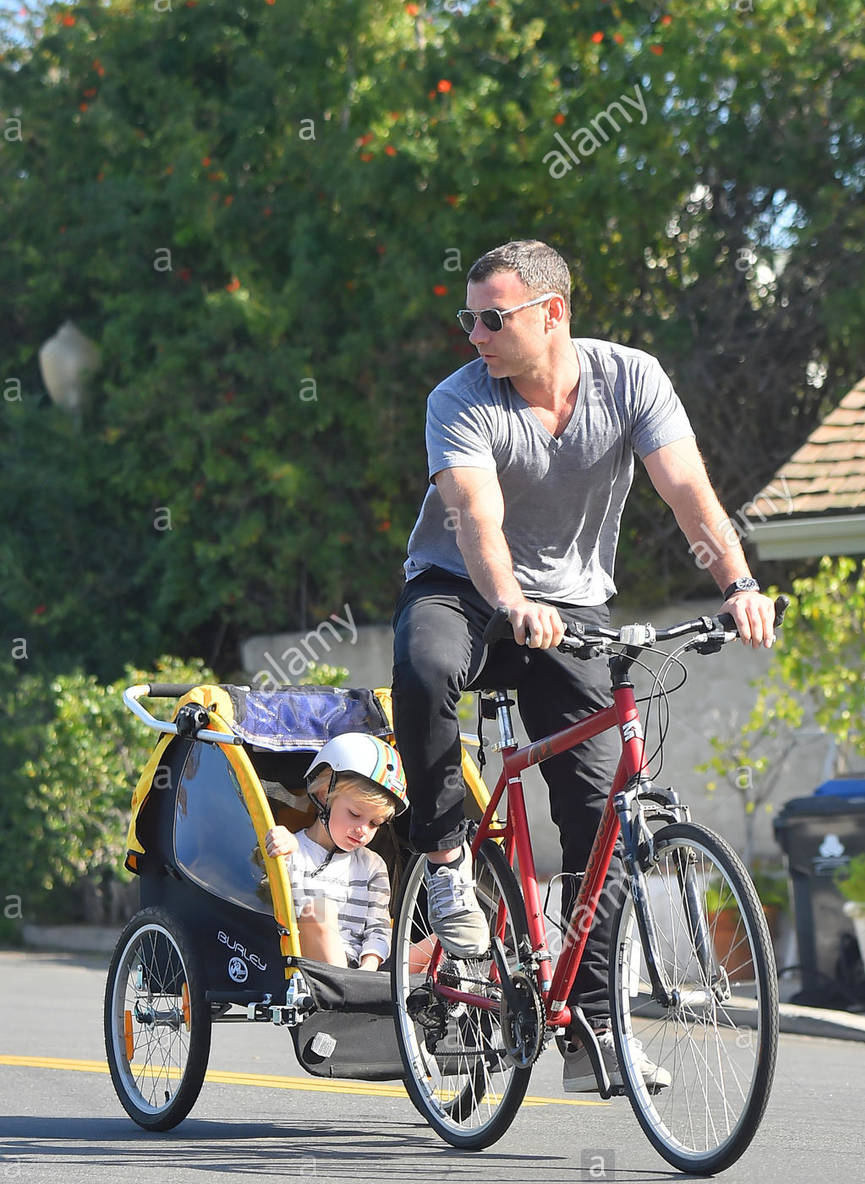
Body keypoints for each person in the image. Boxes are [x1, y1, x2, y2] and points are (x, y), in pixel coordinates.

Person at [391, 238, 778, 1092]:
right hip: (461, 587)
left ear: (551, 312)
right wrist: (509, 601)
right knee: (422, 671)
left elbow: (686, 490)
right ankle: (450, 860)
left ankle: (594, 1027)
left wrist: (738, 581)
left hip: (568, 606)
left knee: (602, 813)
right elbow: (475, 521)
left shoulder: (629, 378)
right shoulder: (460, 400)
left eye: (492, 318)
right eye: (469, 319)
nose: (475, 336)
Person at [265, 733, 407, 971]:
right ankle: (344, 989)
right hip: (315, 969)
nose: (363, 830)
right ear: (324, 796)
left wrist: (366, 972)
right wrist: (279, 852)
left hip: (366, 972)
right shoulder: (293, 850)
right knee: (319, 909)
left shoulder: (373, 865)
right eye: (354, 814)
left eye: (375, 823)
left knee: (443, 939)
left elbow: (378, 929)